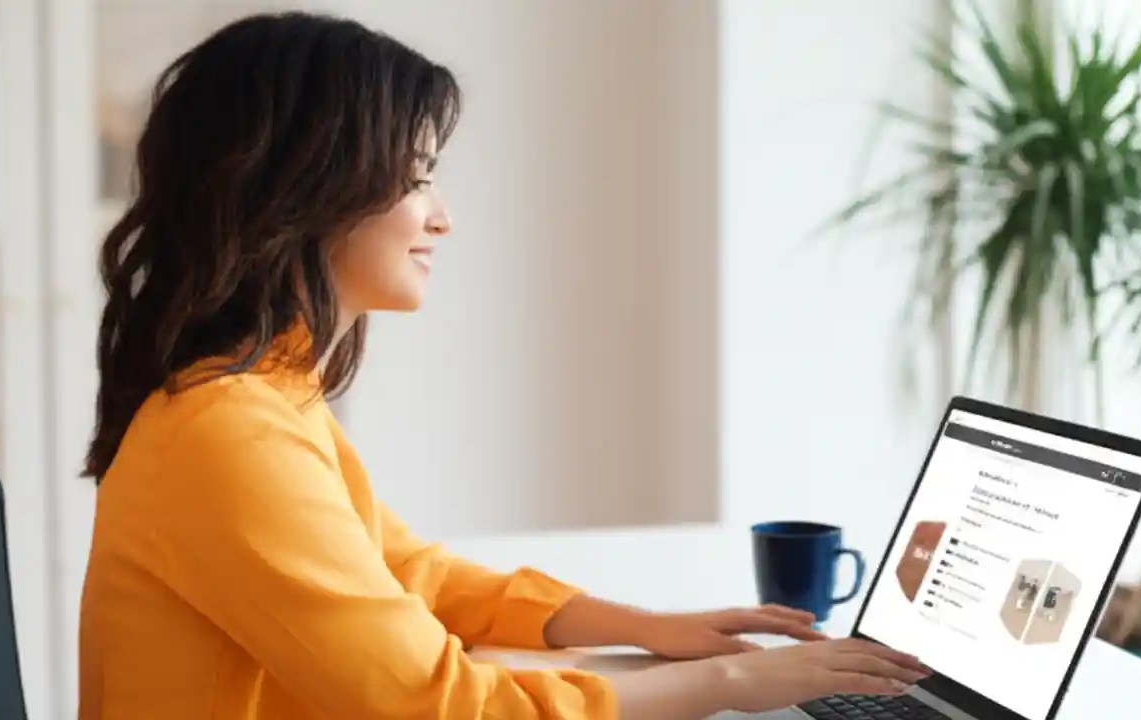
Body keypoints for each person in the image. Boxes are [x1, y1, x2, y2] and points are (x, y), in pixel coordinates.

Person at [77, 12, 928, 720]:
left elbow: (409, 574)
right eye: (415, 177)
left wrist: (646, 626)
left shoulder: (266, 397)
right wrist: (736, 682)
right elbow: (443, 707)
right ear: (305, 192)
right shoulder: (226, 430)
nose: (441, 217)